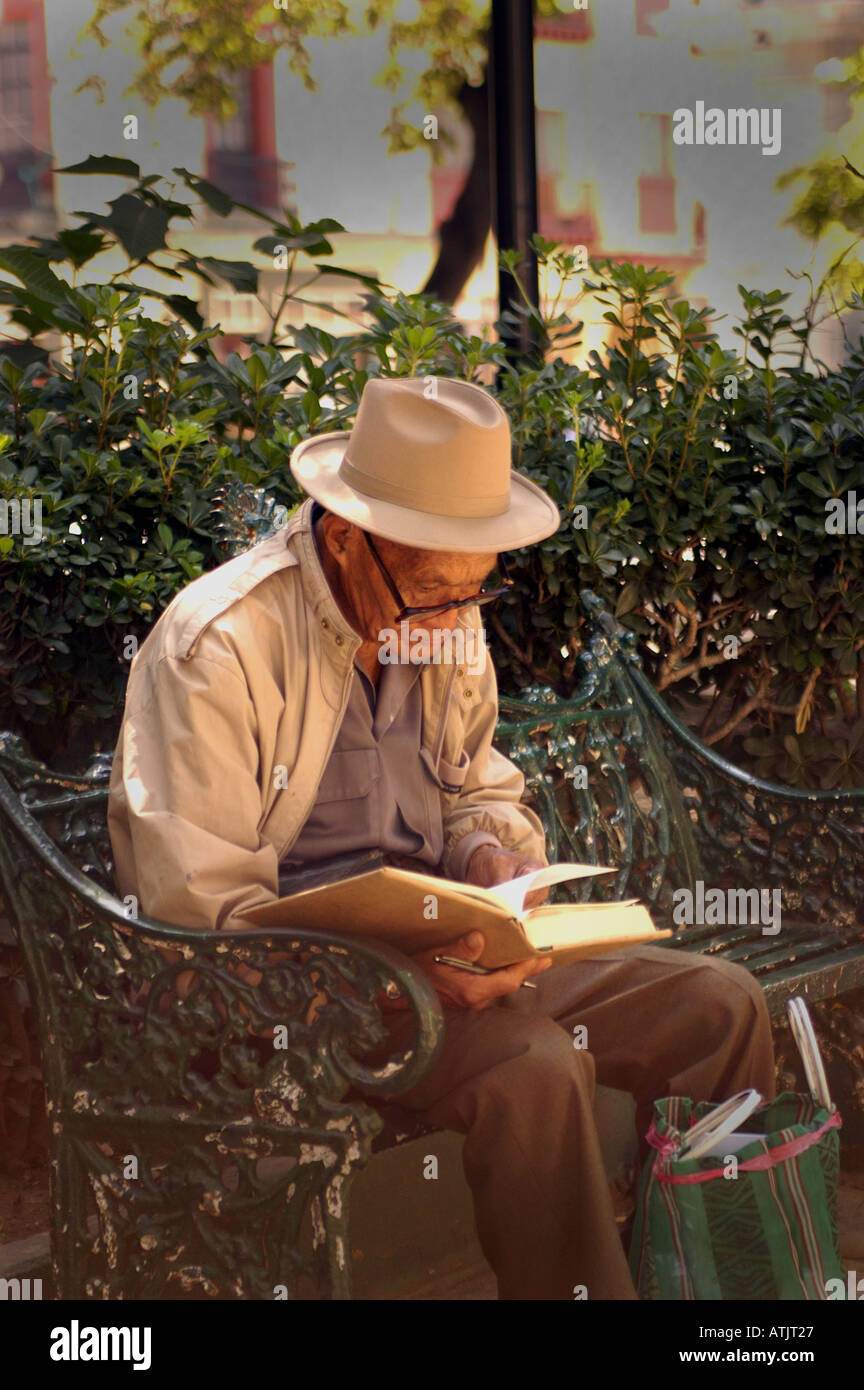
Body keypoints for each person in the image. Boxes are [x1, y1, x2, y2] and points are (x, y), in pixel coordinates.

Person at [108, 374, 776, 1300]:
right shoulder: (220, 645)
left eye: (474, 590)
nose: (454, 621)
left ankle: (733, 1303)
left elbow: (478, 789)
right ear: (345, 537)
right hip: (309, 999)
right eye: (431, 593)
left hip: (456, 948)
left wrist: (495, 861)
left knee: (722, 1003)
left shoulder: (444, 613)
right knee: (537, 1069)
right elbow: (201, 918)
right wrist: (397, 976)